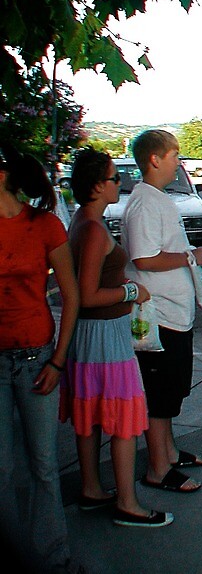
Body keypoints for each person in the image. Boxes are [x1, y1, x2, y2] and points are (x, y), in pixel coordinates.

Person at [61, 148, 172, 527]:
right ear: (97, 186)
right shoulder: (93, 229)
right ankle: (128, 503)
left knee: (90, 416)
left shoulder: (81, 221)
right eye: (113, 178)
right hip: (105, 336)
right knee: (125, 417)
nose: (119, 184)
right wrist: (131, 291)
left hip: (87, 338)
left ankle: (92, 488)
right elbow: (87, 294)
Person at [0, 141, 80, 571]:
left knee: (44, 465)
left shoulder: (45, 225)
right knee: (1, 470)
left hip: (37, 357)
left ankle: (53, 558)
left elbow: (71, 294)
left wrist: (57, 361)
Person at [121, 130, 202, 494]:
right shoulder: (144, 203)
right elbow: (144, 258)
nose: (179, 163)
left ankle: (169, 452)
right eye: (174, 156)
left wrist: (193, 261)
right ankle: (157, 469)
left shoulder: (156, 199)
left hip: (174, 317)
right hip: (159, 319)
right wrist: (190, 257)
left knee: (171, 393)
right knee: (159, 396)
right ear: (154, 159)